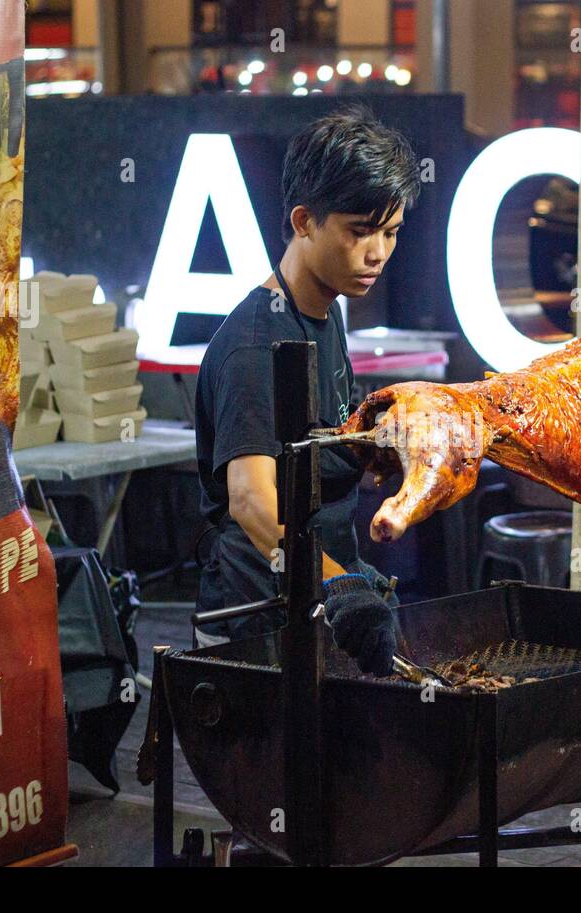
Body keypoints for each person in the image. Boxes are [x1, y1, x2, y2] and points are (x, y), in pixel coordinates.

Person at [193, 107, 420, 676]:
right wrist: (338, 584)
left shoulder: (325, 313)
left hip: (312, 598)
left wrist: (368, 449)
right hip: (257, 617)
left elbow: (307, 442)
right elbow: (250, 501)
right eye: (359, 231)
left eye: (390, 233)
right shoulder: (255, 342)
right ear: (303, 221)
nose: (377, 253)